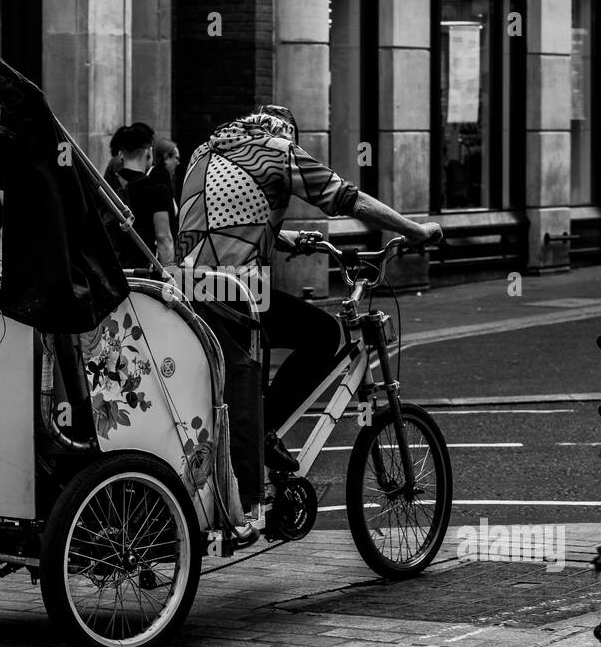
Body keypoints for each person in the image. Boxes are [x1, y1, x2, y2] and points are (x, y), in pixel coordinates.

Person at [178, 104, 441, 489]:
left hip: (189, 292)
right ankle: (263, 428)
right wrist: (413, 229)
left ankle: (248, 433)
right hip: (236, 295)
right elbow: (350, 198)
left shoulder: (205, 150)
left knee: (239, 371)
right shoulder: (277, 151)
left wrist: (286, 239)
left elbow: (221, 220)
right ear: (287, 133)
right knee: (322, 334)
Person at [111, 123, 174, 269]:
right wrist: (169, 277)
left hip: (111, 273)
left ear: (121, 154)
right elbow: (164, 239)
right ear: (148, 152)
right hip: (141, 273)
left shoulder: (108, 187)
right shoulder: (157, 190)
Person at [150, 136, 181, 242]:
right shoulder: (160, 176)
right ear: (166, 157)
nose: (178, 163)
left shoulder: (158, 174)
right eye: (176, 158)